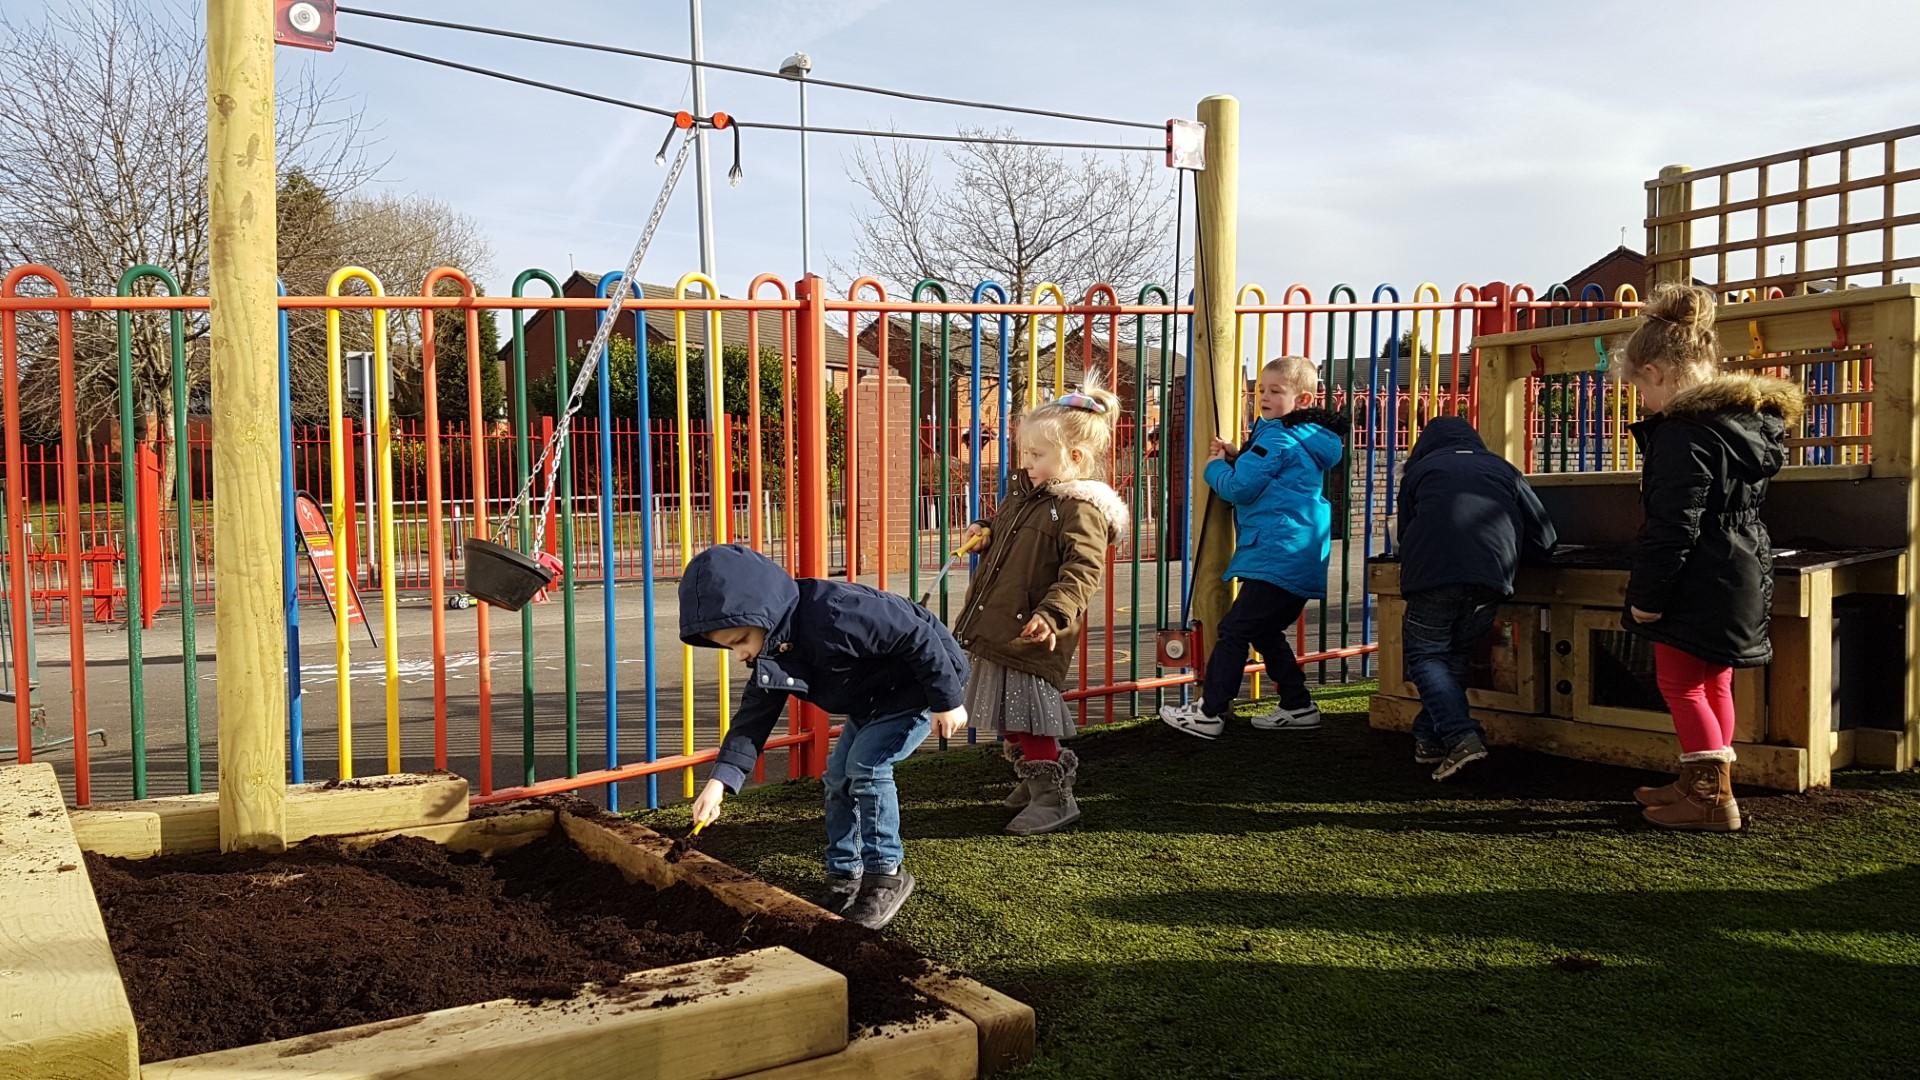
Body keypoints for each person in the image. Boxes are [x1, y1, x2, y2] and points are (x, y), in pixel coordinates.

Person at [682, 544, 969, 929]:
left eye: (739, 640)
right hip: (872, 698)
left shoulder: (836, 612)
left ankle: (886, 874)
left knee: (866, 767)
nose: (738, 655)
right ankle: (844, 874)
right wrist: (720, 783)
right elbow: (753, 718)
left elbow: (917, 635)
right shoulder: (772, 648)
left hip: (918, 688)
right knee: (838, 778)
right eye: (728, 646)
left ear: (764, 613)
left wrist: (946, 701)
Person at [1621, 284, 1802, 831]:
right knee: (1715, 682)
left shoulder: (1682, 433)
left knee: (1680, 684)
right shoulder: (1745, 422)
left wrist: (1648, 600)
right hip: (1742, 566)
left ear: (1655, 372)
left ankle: (1710, 801)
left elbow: (1674, 525)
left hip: (1697, 574)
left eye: (1638, 389)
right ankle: (1705, 783)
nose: (1642, 403)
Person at [954, 385, 1128, 835]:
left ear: (1072, 456)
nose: (1026, 463)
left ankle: (1053, 797)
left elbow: (1083, 570)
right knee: (1008, 712)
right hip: (1002, 621)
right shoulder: (1029, 494)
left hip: (1033, 627)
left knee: (1029, 714)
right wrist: (986, 528)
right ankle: (1035, 782)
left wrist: (1053, 614)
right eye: (1025, 452)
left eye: (1036, 454)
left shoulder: (1079, 509)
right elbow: (1010, 528)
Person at [1160, 356, 1348, 739]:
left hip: (1278, 552)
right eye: (1261, 389)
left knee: (1233, 629)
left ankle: (1209, 713)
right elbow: (1268, 473)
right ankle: (1297, 705)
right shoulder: (1300, 438)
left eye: (1276, 392)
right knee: (1263, 631)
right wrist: (1237, 454)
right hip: (1299, 554)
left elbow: (1241, 488)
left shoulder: (1277, 436)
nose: (1264, 397)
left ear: (1305, 398)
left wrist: (1213, 467)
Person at [1395, 416, 1558, 780]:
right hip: (1491, 577)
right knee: (1454, 656)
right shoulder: (1504, 469)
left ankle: (1461, 736)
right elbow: (1545, 535)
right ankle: (1428, 739)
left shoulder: (1420, 472)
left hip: (1433, 575)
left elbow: (1405, 534)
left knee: (1425, 655)